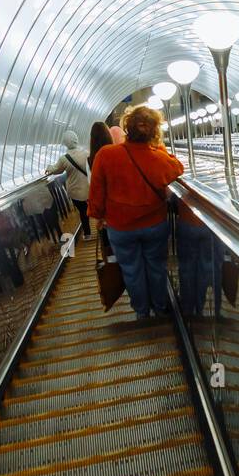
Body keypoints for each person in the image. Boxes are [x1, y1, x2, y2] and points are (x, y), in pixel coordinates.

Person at [88, 106, 183, 320]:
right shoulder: (158, 157)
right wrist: (158, 147)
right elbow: (177, 168)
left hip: (120, 228)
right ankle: (160, 307)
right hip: (154, 225)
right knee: (156, 268)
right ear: (154, 131)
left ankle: (142, 312)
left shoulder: (106, 154)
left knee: (131, 270)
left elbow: (96, 190)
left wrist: (98, 215)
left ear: (127, 127)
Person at [46, 130, 91, 238]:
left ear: (65, 142)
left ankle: (88, 233)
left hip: (75, 191)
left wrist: (49, 167)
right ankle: (102, 231)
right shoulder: (87, 154)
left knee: (83, 211)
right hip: (89, 188)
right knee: (92, 209)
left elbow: (57, 170)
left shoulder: (64, 159)